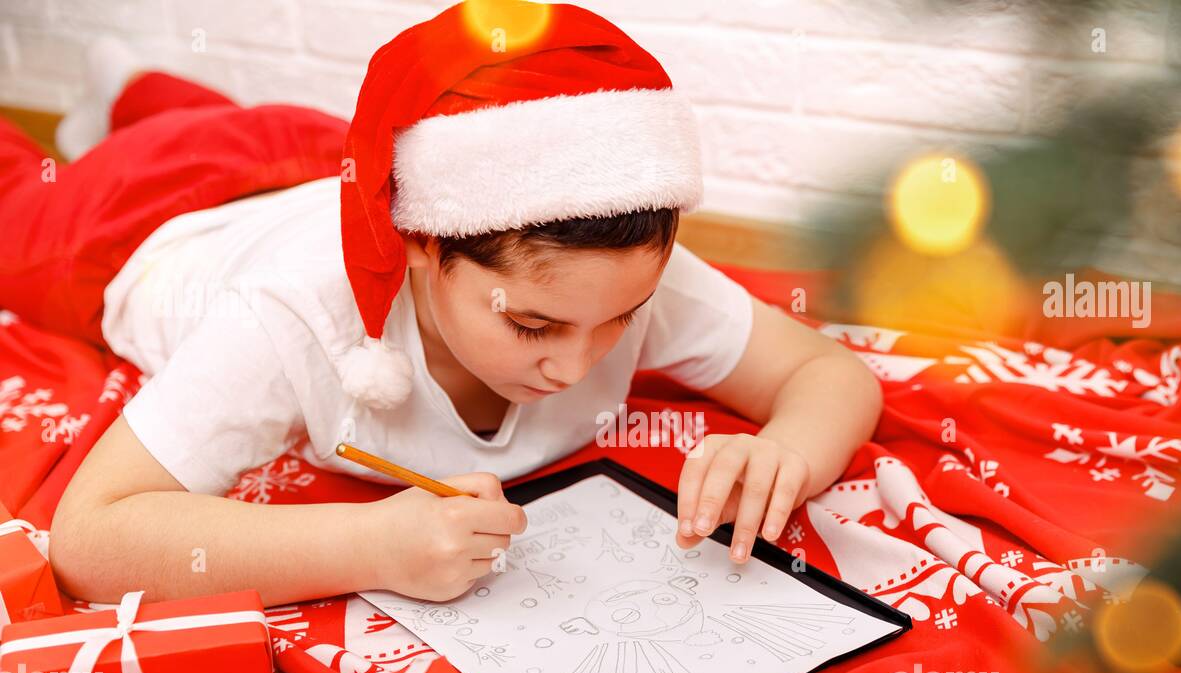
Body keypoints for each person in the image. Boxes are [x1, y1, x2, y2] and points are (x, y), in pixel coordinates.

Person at [14, 2, 881, 608]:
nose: (579, 364)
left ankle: (133, 88)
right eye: (531, 326)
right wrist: (370, 548)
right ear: (423, 247)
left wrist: (788, 455)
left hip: (321, 159)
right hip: (140, 223)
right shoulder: (288, 313)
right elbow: (91, 539)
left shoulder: (600, 262)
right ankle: (125, 104)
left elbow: (823, 370)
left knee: (240, 124)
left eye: (623, 319)